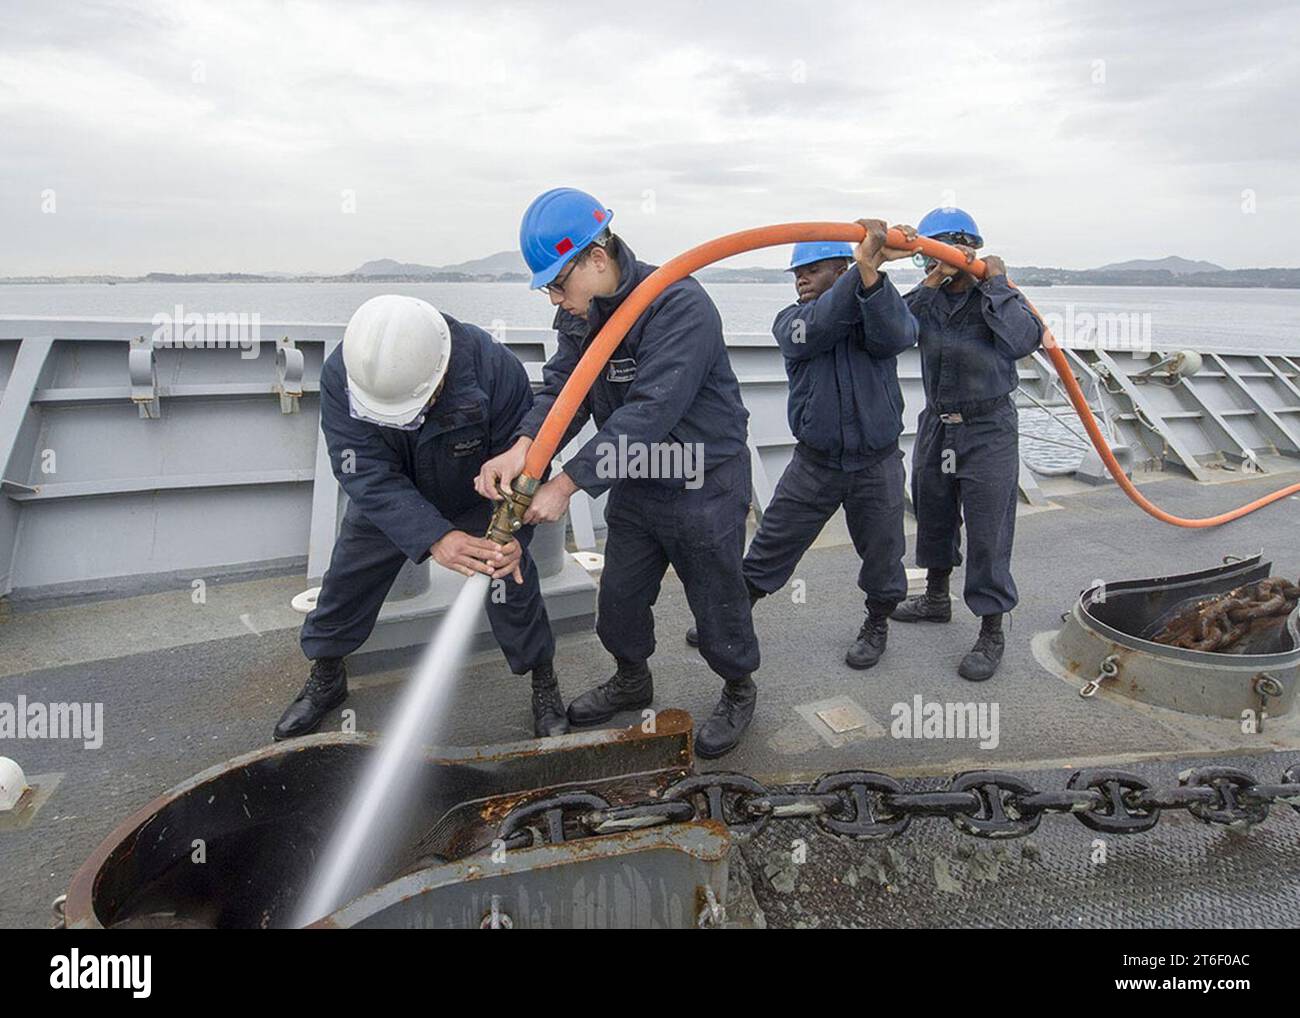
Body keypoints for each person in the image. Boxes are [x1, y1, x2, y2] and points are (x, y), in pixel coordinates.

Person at [476, 187, 759, 759]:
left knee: (717, 601)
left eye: (559, 282)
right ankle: (633, 679)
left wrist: (567, 483)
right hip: (637, 481)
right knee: (621, 601)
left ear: (597, 259)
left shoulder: (679, 305)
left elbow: (650, 412)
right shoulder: (582, 315)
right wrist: (524, 446)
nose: (555, 299)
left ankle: (737, 687)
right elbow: (563, 388)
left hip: (703, 477)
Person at [274, 294, 565, 741]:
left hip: (481, 495)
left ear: (441, 370)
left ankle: (542, 679)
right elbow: (362, 468)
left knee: (513, 580)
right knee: (348, 579)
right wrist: (433, 535)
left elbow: (529, 458)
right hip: (393, 496)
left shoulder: (493, 366)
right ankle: (327, 674)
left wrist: (511, 532)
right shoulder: (343, 373)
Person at [684, 222, 917, 669]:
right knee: (772, 545)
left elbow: (898, 335)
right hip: (816, 464)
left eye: (812, 270)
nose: (801, 279)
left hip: (877, 463)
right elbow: (821, 326)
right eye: (797, 273)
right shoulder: (792, 322)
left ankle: (877, 621)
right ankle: (732, 616)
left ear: (840, 268)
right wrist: (867, 265)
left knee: (884, 555)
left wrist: (871, 273)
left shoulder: (879, 312)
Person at [886, 208, 1043, 681]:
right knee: (933, 512)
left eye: (937, 254)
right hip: (938, 422)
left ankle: (991, 628)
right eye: (925, 258)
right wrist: (931, 281)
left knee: (987, 527)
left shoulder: (997, 296)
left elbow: (1023, 340)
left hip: (987, 426)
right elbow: (892, 331)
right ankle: (936, 598)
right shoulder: (928, 299)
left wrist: (995, 284)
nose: (931, 265)